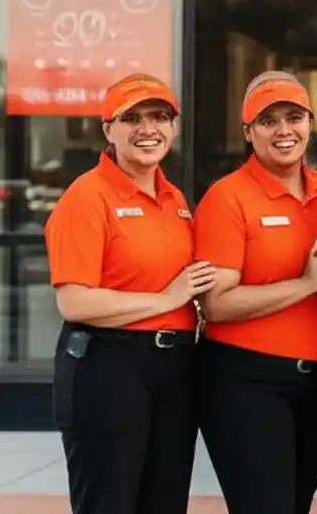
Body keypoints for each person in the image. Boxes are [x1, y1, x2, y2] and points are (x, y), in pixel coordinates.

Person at [192, 71, 317, 514]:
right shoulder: (227, 198)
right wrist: (308, 282)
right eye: (268, 121)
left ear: (311, 124)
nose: (284, 131)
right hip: (246, 381)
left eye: (294, 117)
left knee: (295, 503)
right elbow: (215, 304)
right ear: (248, 132)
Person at [47, 73, 215, 514]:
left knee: (164, 502)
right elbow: (74, 301)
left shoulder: (174, 197)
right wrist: (165, 300)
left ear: (173, 128)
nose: (148, 129)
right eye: (132, 118)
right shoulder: (86, 198)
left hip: (174, 368)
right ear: (108, 130)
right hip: (108, 367)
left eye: (160, 117)